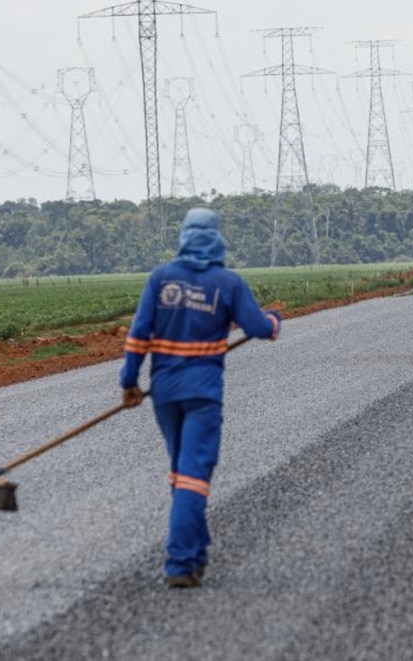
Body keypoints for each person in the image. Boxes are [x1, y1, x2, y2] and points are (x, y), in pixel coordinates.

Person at [119, 207, 281, 588]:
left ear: (185, 236)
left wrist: (128, 381)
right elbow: (258, 327)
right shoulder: (228, 283)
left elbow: (138, 335)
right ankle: (179, 563)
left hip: (164, 394)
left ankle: (197, 551)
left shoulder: (161, 279)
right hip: (202, 395)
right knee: (193, 476)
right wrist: (275, 322)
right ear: (217, 238)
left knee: (182, 473)